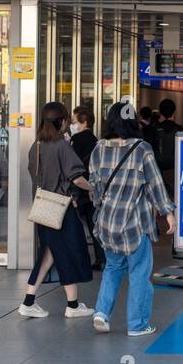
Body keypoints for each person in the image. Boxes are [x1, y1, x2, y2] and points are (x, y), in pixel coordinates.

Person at [89, 102, 177, 337]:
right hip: (134, 223)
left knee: (113, 267)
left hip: (107, 223)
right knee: (139, 272)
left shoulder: (99, 148)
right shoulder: (141, 149)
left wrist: (102, 205)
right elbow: (154, 184)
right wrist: (168, 212)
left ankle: (101, 312)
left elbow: (95, 187)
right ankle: (137, 324)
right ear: (132, 121)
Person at [22, 101, 94, 319]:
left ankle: (29, 301)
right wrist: (94, 187)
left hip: (43, 208)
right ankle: (72, 305)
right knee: (66, 253)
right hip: (61, 209)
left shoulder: (36, 146)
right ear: (61, 121)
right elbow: (76, 177)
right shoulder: (61, 146)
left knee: (49, 254)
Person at [70, 106, 104, 269]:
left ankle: (80, 260)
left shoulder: (77, 140)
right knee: (93, 225)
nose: (72, 125)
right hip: (93, 186)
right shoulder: (96, 140)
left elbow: (72, 165)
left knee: (76, 227)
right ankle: (100, 258)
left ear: (83, 123)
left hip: (81, 188)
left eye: (74, 122)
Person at [153, 98, 183, 194]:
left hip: (156, 172)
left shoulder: (153, 130)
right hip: (175, 172)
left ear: (160, 112)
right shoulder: (180, 130)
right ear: (174, 112)